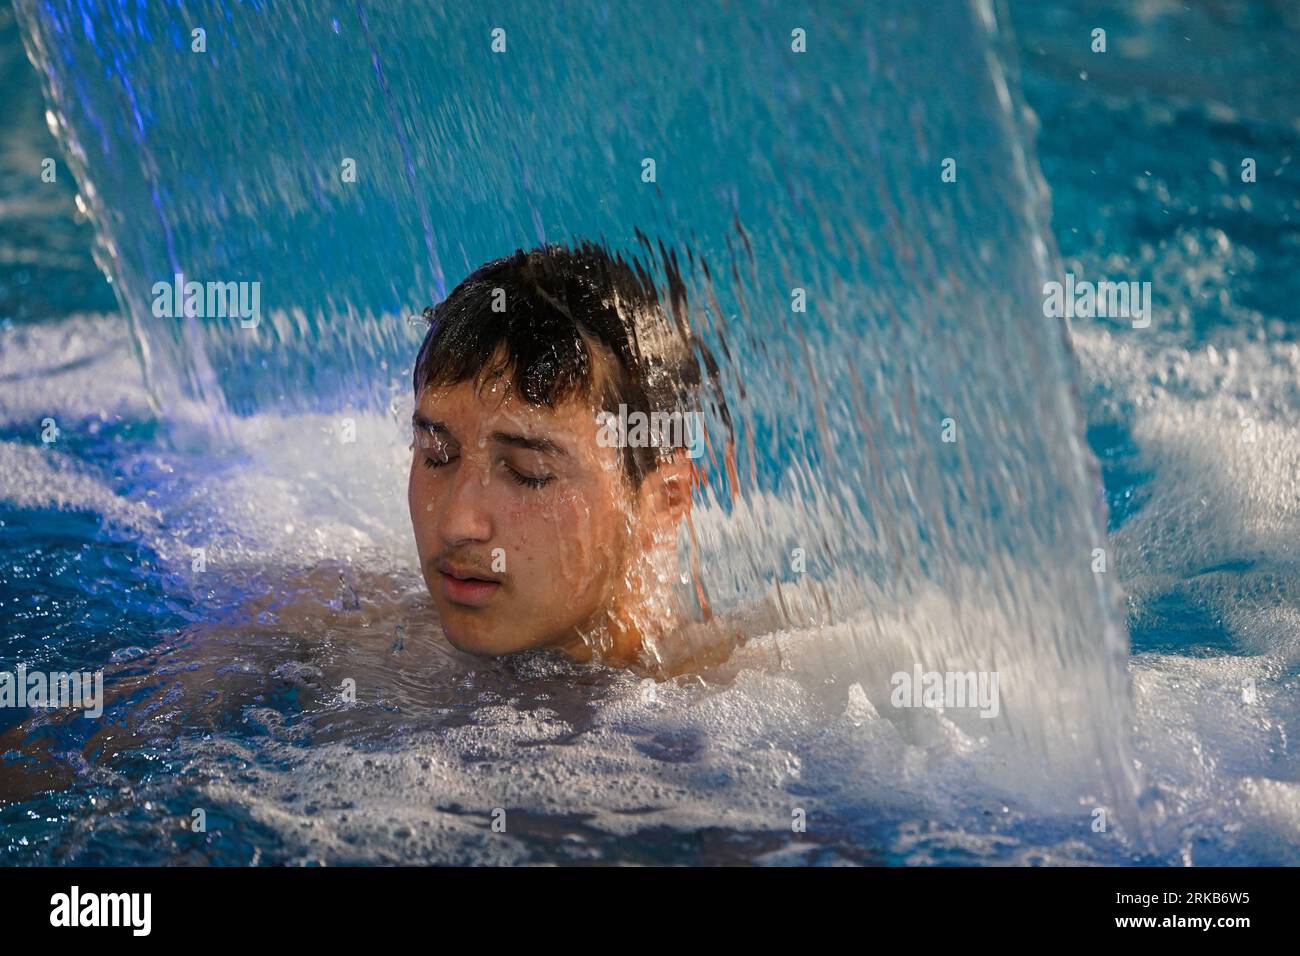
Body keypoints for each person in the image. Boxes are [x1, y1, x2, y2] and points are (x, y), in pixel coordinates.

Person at [408, 239, 746, 676]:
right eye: (438, 455)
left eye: (527, 474)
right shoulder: (354, 638)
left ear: (665, 501)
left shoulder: (732, 714)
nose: (456, 524)